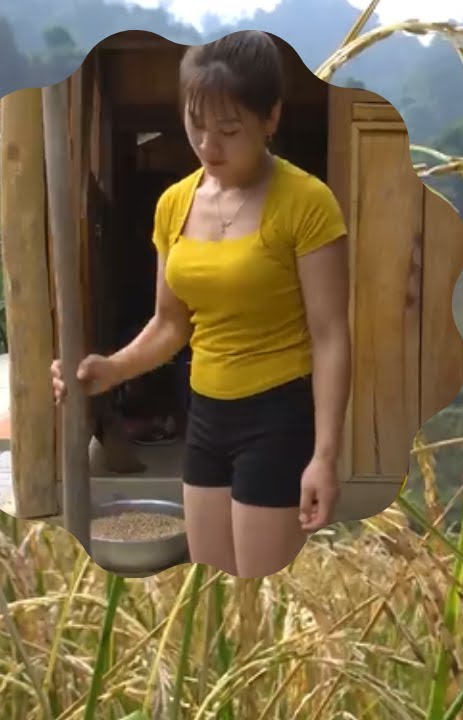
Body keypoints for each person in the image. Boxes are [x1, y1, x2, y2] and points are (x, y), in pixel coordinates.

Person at [51, 30, 351, 579]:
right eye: (196, 126)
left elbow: (331, 335)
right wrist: (110, 369)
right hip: (205, 415)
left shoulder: (307, 203)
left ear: (271, 119)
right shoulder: (174, 204)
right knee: (209, 587)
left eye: (229, 130)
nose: (208, 146)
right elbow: (170, 324)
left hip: (278, 414)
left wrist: (325, 457)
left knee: (259, 592)